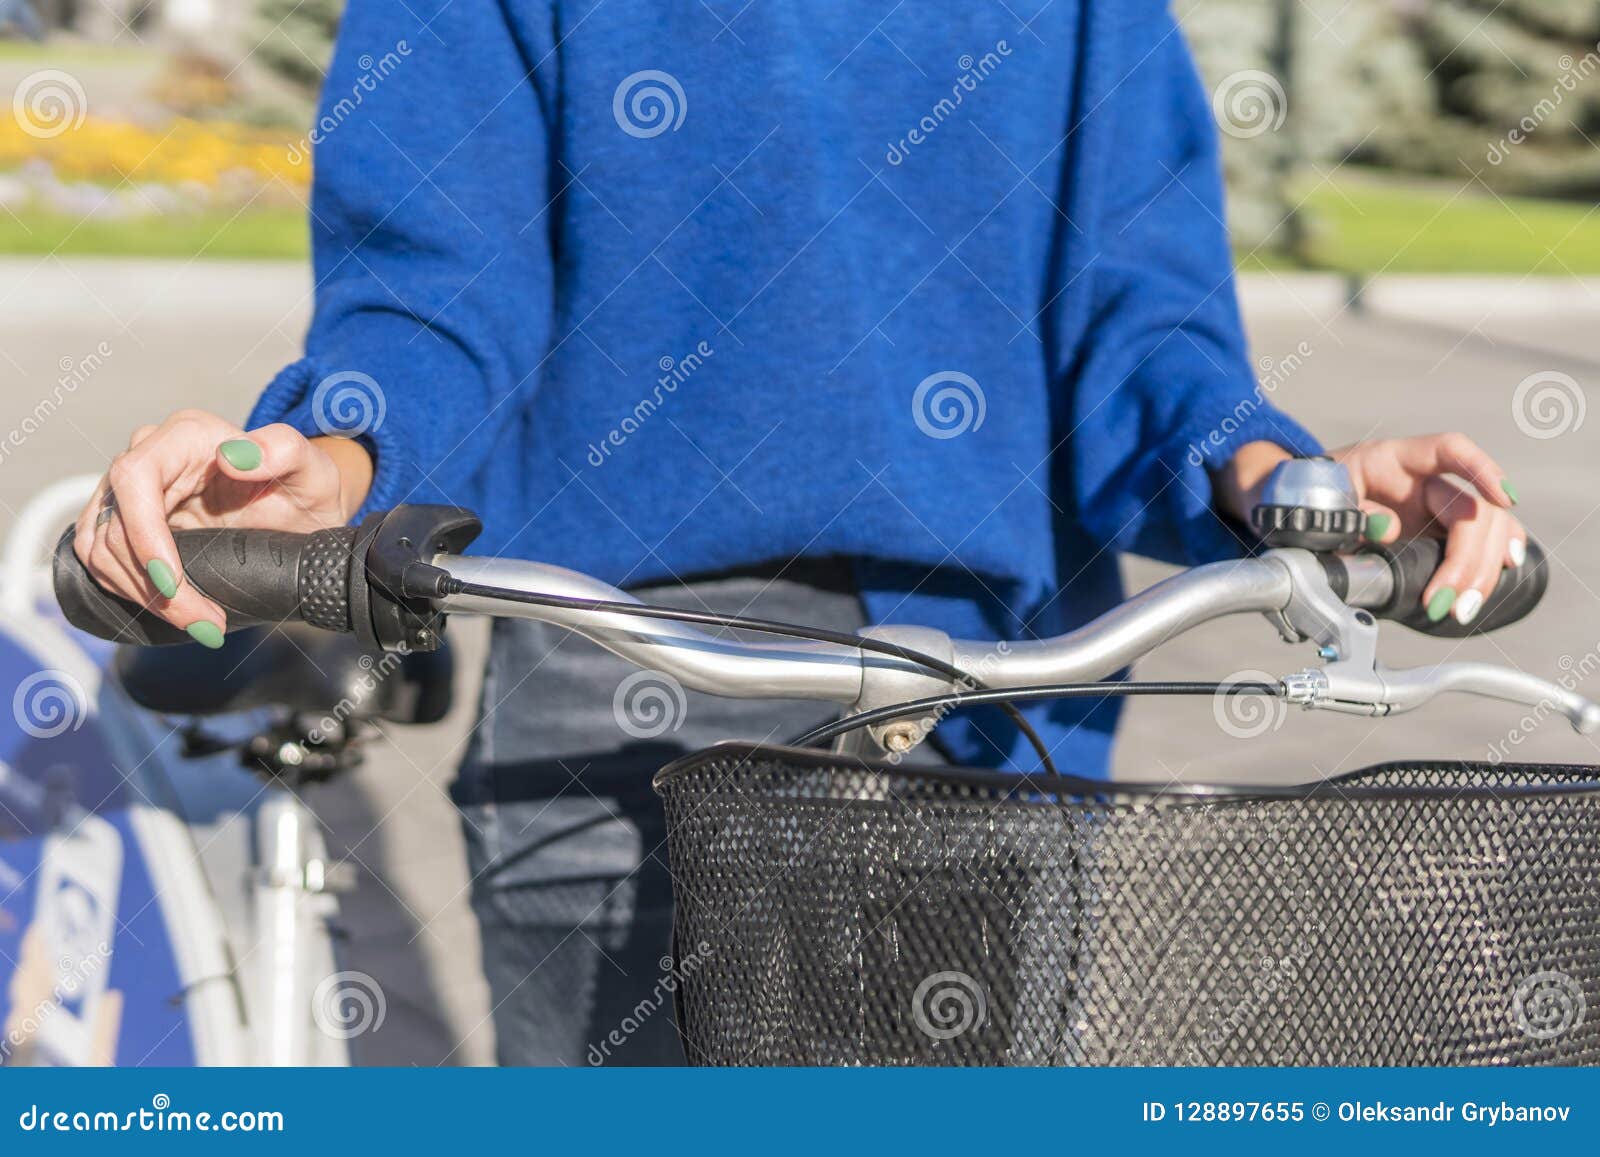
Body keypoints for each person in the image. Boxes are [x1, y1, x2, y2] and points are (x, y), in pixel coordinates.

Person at [72, 1, 1526, 1064]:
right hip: (620, 669)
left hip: (979, 707)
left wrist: (1278, 474)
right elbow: (441, 287)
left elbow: (1143, 329)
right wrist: (336, 455)